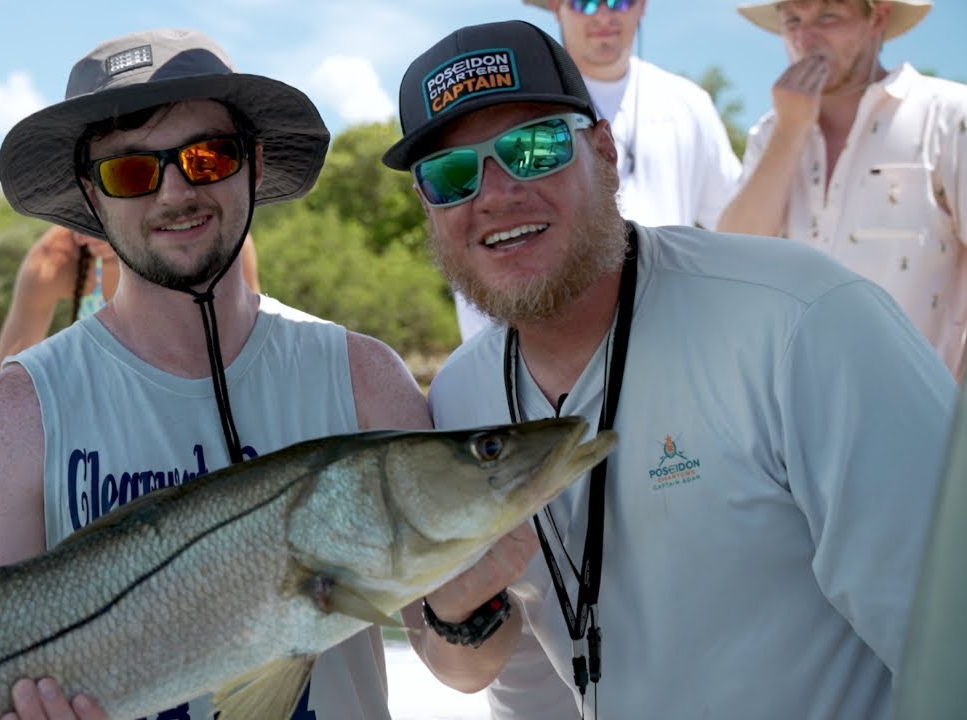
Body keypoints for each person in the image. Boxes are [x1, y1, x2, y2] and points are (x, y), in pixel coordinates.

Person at [381, 19, 956, 719]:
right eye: (449, 174)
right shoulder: (465, 400)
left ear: (604, 151)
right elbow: (522, 682)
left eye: (534, 148)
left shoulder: (800, 322)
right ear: (427, 207)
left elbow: (947, 645)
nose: (496, 193)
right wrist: (453, 619)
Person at [0, 28, 430, 720]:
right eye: (130, 172)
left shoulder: (366, 378)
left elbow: (464, 668)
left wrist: (479, 604)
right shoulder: (9, 420)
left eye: (206, 156)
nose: (174, 192)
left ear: (253, 165)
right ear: (92, 197)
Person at [0, 226, 260, 571]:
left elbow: (250, 371)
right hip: (101, 464)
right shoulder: (54, 260)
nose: (89, 219)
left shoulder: (215, 240)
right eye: (75, 204)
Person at [451, 0, 742, 342]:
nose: (604, 14)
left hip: (671, 338)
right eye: (583, 2)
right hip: (537, 349)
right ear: (557, 9)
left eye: (620, 1)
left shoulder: (688, 102)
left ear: (642, 7)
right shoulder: (516, 106)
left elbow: (735, 232)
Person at [717, 0, 967, 379]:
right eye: (793, 20)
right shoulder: (769, 132)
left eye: (828, 16)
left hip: (926, 417)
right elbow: (733, 262)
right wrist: (791, 131)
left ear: (877, 18)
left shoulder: (949, 116)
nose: (805, 38)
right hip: (792, 420)